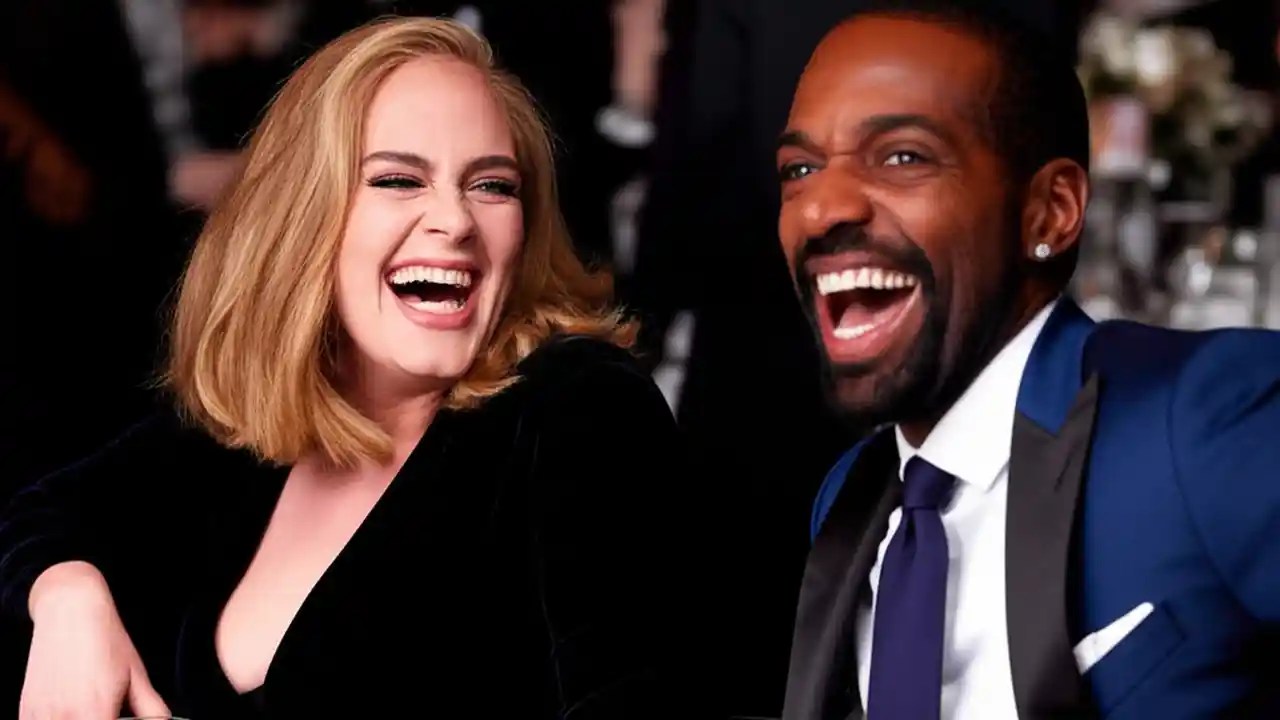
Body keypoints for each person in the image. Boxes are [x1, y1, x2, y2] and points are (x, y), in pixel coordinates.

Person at [0, 17, 695, 719]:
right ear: (303, 217)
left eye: (492, 185)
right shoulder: (254, 431)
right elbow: (48, 512)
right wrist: (67, 595)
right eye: (398, 179)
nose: (455, 221)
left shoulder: (580, 408)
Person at [775, 2, 1280, 719]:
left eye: (903, 157)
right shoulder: (852, 496)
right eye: (799, 169)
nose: (820, 209)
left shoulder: (1204, 417)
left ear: (1051, 210)